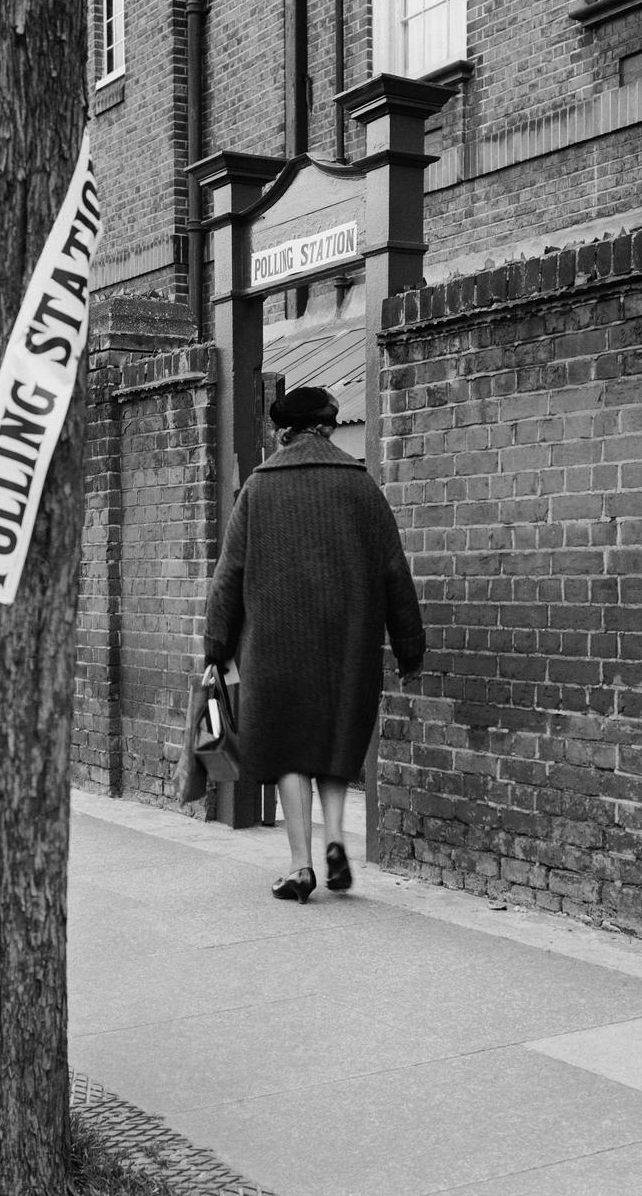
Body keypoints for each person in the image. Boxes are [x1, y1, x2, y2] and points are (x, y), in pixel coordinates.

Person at [203, 385, 425, 903]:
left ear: (284, 432)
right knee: (334, 745)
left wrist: (216, 646)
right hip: (347, 647)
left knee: (289, 751)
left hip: (275, 648)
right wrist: (410, 647)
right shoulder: (361, 487)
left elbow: (228, 577)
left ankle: (301, 867)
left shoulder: (259, 489)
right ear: (328, 427)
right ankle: (334, 842)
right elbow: (396, 572)